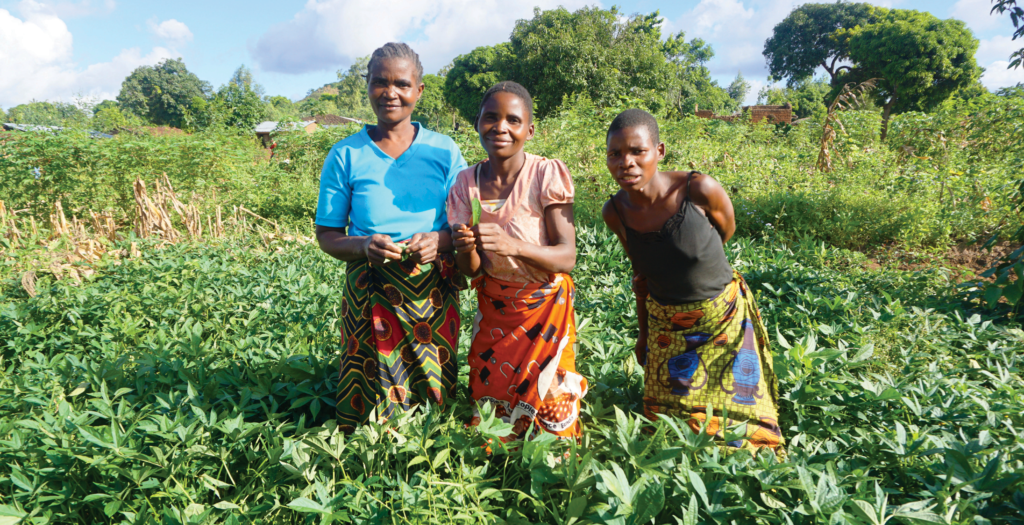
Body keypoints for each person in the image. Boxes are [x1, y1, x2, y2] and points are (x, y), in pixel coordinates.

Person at [601, 109, 783, 451]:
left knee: (744, 434)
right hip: (667, 329)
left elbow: (724, 232)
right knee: (667, 433)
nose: (625, 162)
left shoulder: (698, 189)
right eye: (615, 154)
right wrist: (644, 336)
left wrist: (691, 256)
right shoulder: (615, 212)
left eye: (637, 151)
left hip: (723, 321)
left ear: (659, 151)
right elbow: (641, 274)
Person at [314, 42, 467, 433]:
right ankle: (368, 463)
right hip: (371, 287)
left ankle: (435, 454)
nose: (390, 92)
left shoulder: (444, 151)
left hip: (431, 290)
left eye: (402, 83)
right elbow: (328, 236)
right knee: (370, 387)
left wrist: (440, 240)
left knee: (435, 386)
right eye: (380, 82)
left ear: (419, 90)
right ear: (367, 85)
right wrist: (364, 245)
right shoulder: (345, 154)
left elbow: (465, 226)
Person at [448, 81, 587, 442]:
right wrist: (465, 248)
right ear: (477, 122)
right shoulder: (466, 183)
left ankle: (550, 465)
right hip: (496, 310)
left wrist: (513, 245)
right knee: (492, 417)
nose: (501, 127)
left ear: (529, 129)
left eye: (513, 119)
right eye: (491, 118)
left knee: (552, 415)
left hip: (544, 309)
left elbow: (566, 256)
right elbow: (472, 270)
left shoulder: (545, 175)